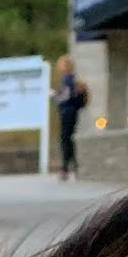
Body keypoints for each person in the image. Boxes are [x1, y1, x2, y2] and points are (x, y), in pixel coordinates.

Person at [53, 53, 87, 181]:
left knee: (66, 139)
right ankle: (71, 165)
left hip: (67, 112)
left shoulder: (67, 80)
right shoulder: (72, 80)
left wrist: (55, 95)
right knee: (68, 138)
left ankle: (67, 167)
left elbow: (66, 97)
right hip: (72, 112)